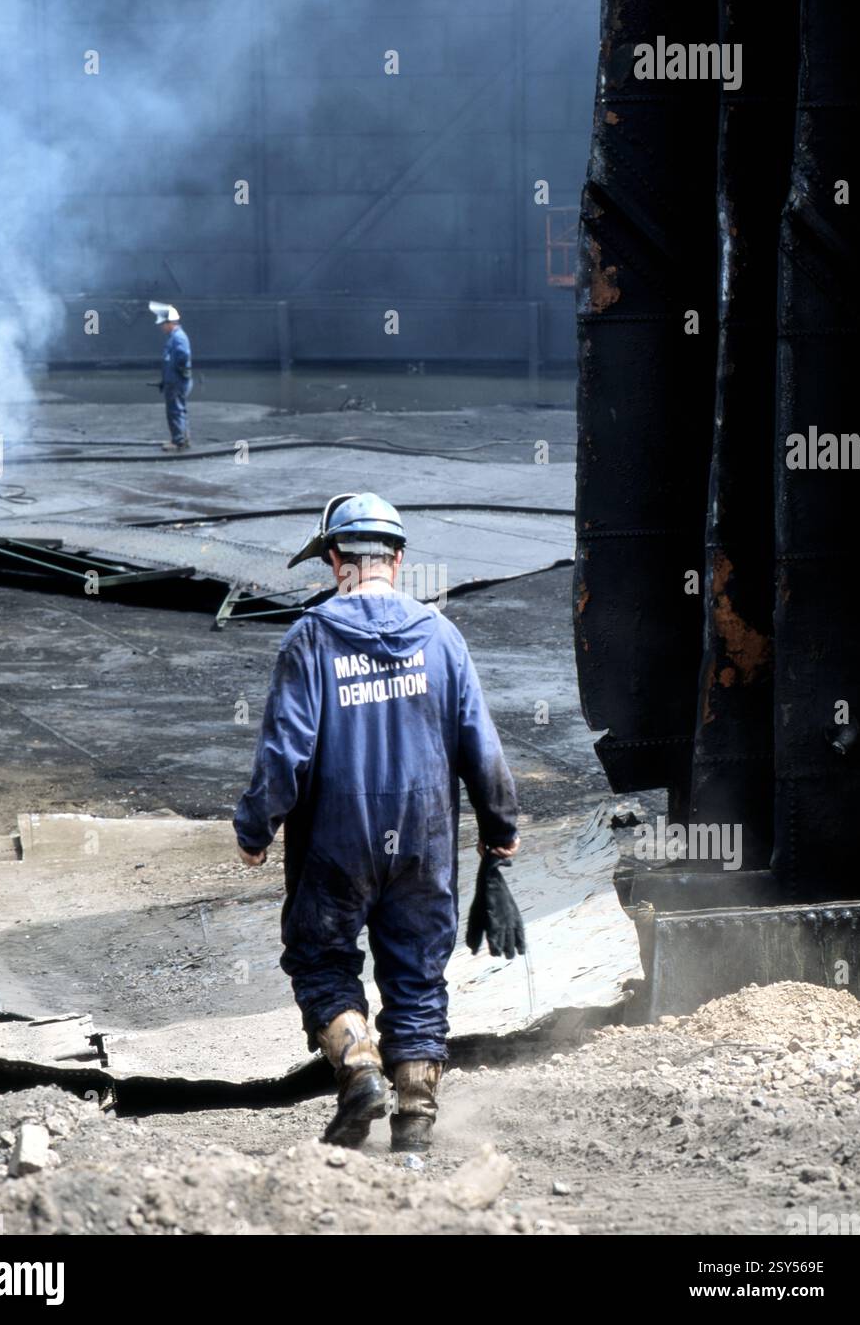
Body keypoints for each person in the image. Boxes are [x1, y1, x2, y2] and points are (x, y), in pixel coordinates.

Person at [234, 492, 520, 1152]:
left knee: (320, 957)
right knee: (416, 972)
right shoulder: (442, 638)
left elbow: (284, 752)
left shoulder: (309, 638)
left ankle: (359, 1065)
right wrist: (499, 831)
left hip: (336, 841)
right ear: (397, 558)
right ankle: (415, 1120)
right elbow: (480, 743)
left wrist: (256, 829)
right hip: (423, 841)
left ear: (336, 559)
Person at [149, 302, 192, 451]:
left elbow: (183, 355)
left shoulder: (178, 338)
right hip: (174, 380)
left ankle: (178, 441)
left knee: (174, 411)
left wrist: (176, 374)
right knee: (180, 410)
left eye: (163, 324)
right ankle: (183, 438)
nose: (161, 327)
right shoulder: (176, 336)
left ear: (170, 323)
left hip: (176, 381)